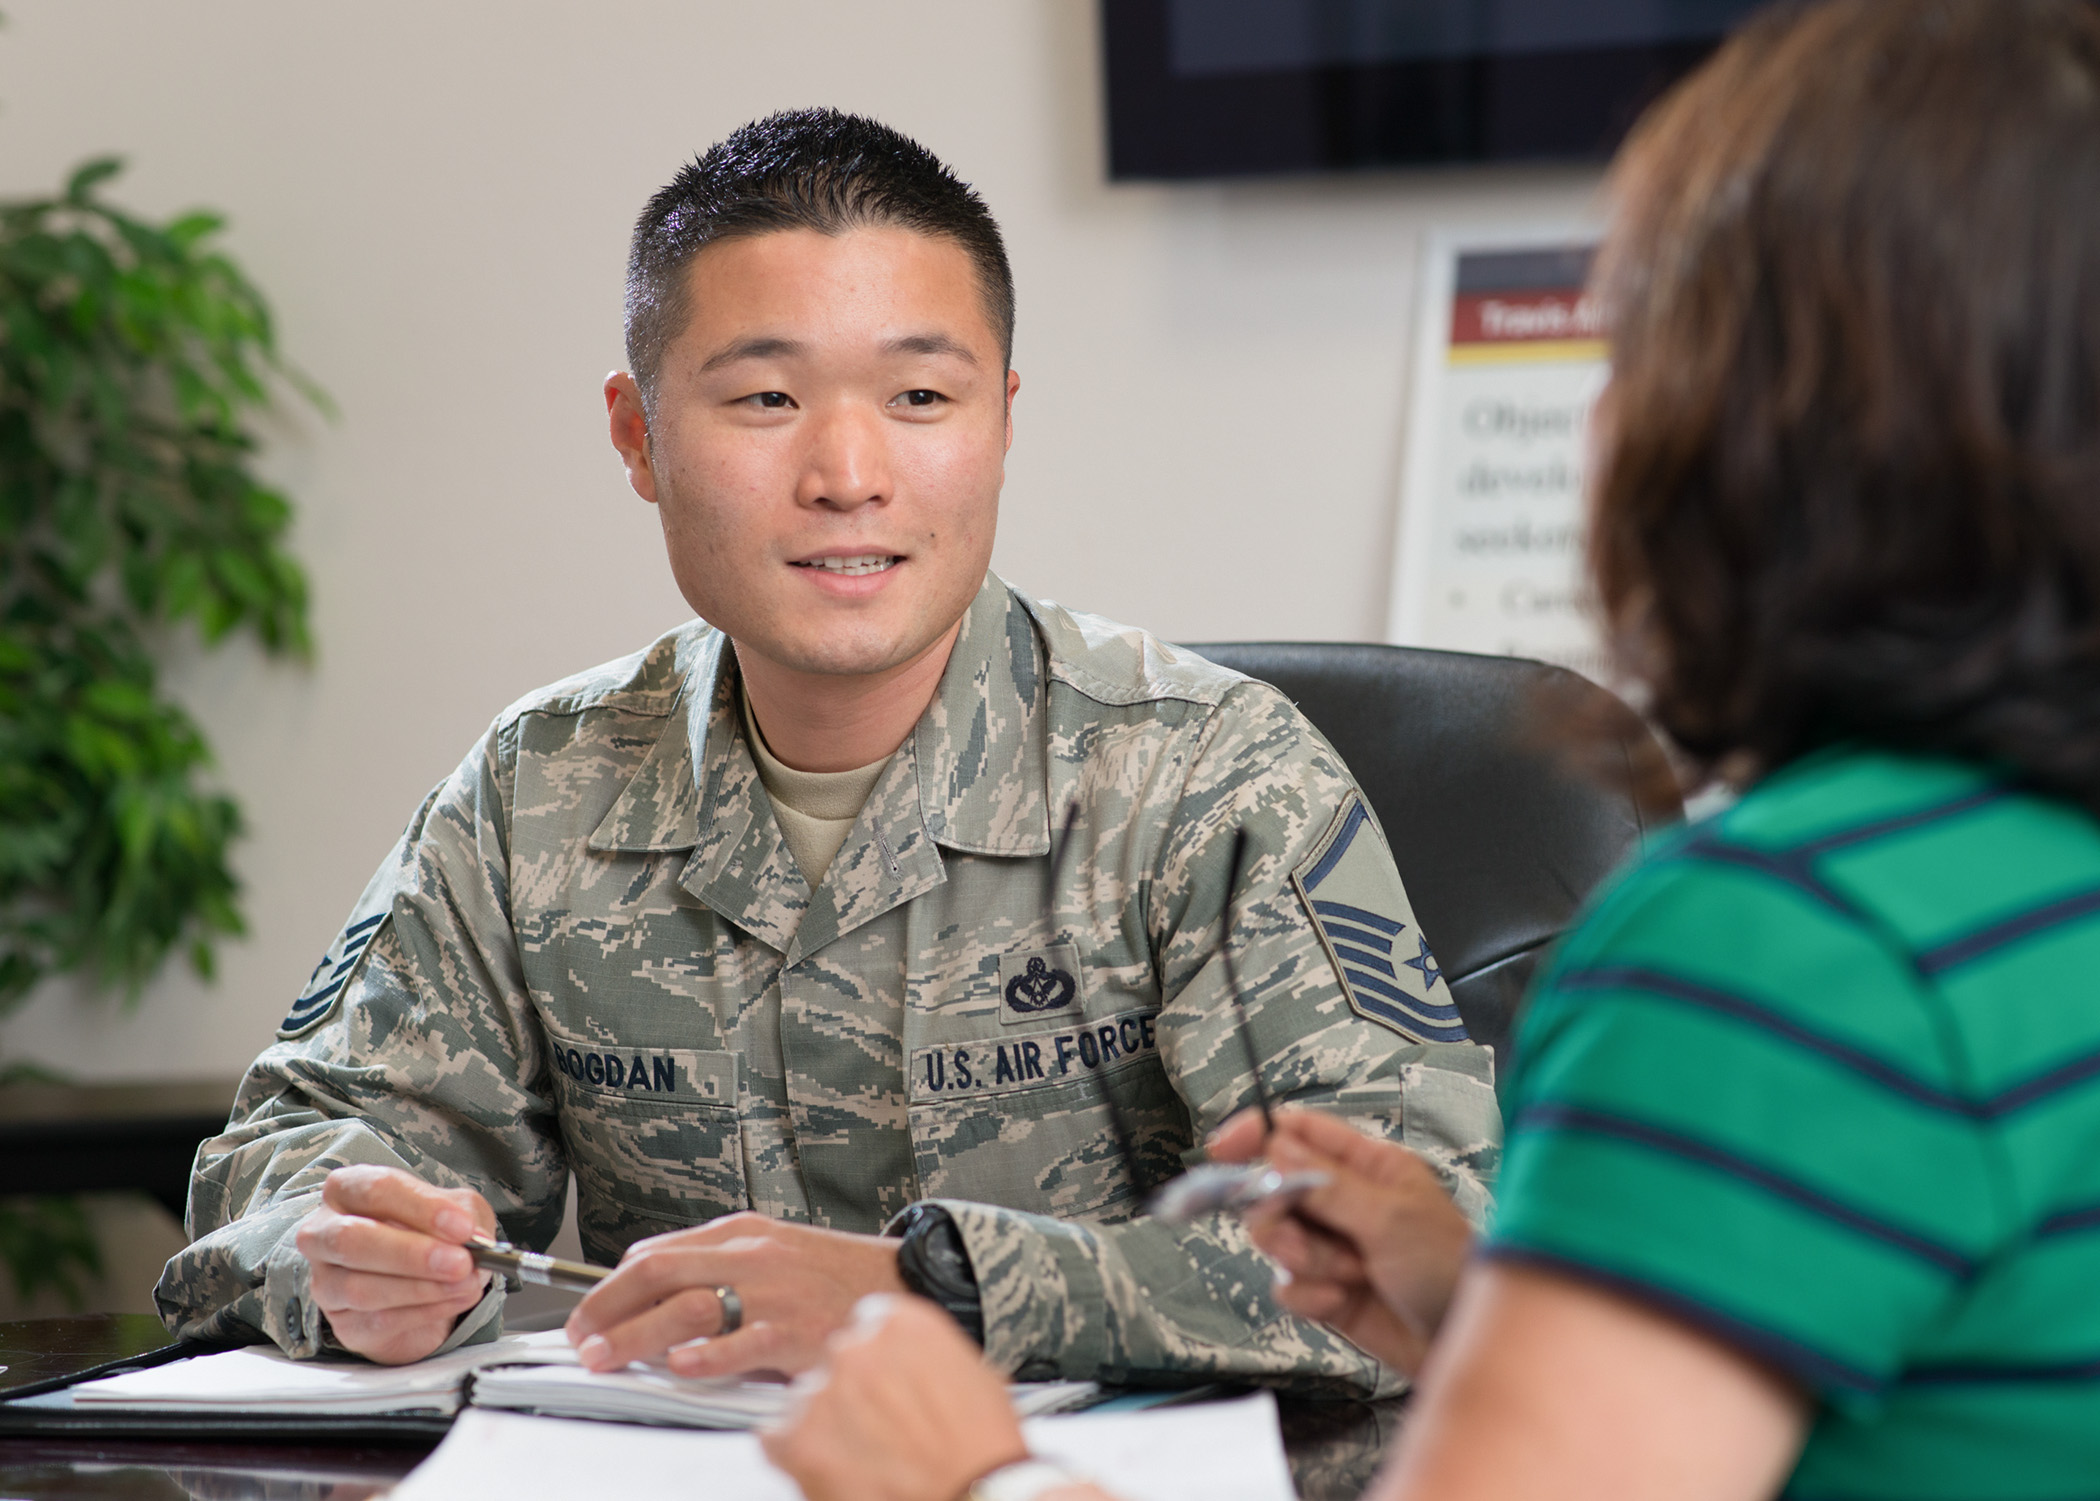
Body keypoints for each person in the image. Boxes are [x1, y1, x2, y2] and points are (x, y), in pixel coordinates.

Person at [763, 1, 2100, 1496]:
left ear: (1748, 420)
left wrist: (968, 1480)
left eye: (1631, 327)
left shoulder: (1793, 950)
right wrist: (1499, 1313)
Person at [151, 108, 1500, 1390]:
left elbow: (1424, 1250)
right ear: (636, 435)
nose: (849, 471)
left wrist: (939, 1294)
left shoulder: (1207, 777)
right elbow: (284, 1155)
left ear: (1005, 420)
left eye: (920, 394)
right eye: (765, 400)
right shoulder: (537, 789)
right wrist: (347, 1252)